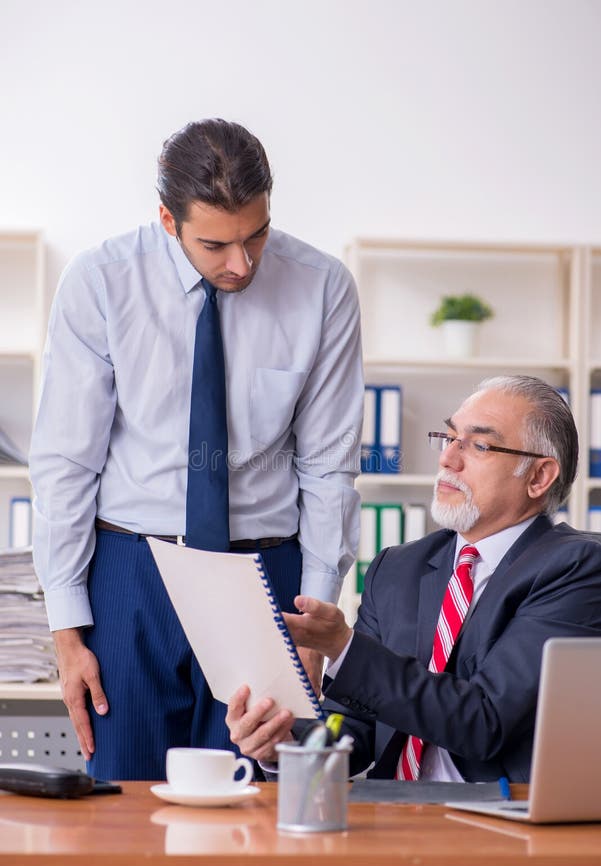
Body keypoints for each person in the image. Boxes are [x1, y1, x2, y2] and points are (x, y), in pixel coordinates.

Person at [30, 119, 363, 780]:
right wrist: (67, 631)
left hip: (267, 576)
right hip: (130, 571)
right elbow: (67, 463)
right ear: (166, 218)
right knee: (121, 808)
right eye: (215, 244)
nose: (241, 264)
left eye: (257, 235)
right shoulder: (101, 282)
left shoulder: (322, 287)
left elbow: (328, 467)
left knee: (252, 807)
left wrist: (316, 619)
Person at [227, 375, 601, 782]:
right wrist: (283, 744)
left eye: (478, 445)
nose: (447, 459)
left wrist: (342, 646)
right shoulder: (398, 568)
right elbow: (353, 728)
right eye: (449, 437)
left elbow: (485, 722)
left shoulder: (576, 567)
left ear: (538, 477)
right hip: (393, 815)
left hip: (497, 825)